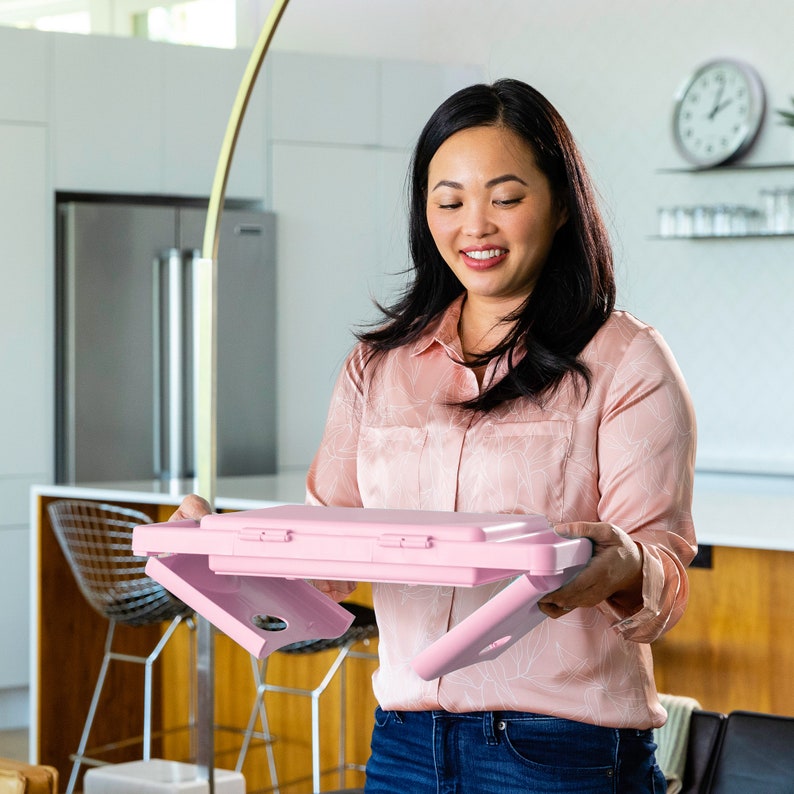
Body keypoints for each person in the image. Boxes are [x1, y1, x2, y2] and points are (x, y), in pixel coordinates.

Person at [174, 78, 696, 793]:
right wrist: (220, 548)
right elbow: (331, 548)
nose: (474, 226)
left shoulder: (625, 359)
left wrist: (628, 564)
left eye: (505, 198)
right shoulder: (379, 366)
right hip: (405, 744)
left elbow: (661, 565)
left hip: (560, 752)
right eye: (449, 201)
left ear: (563, 203)